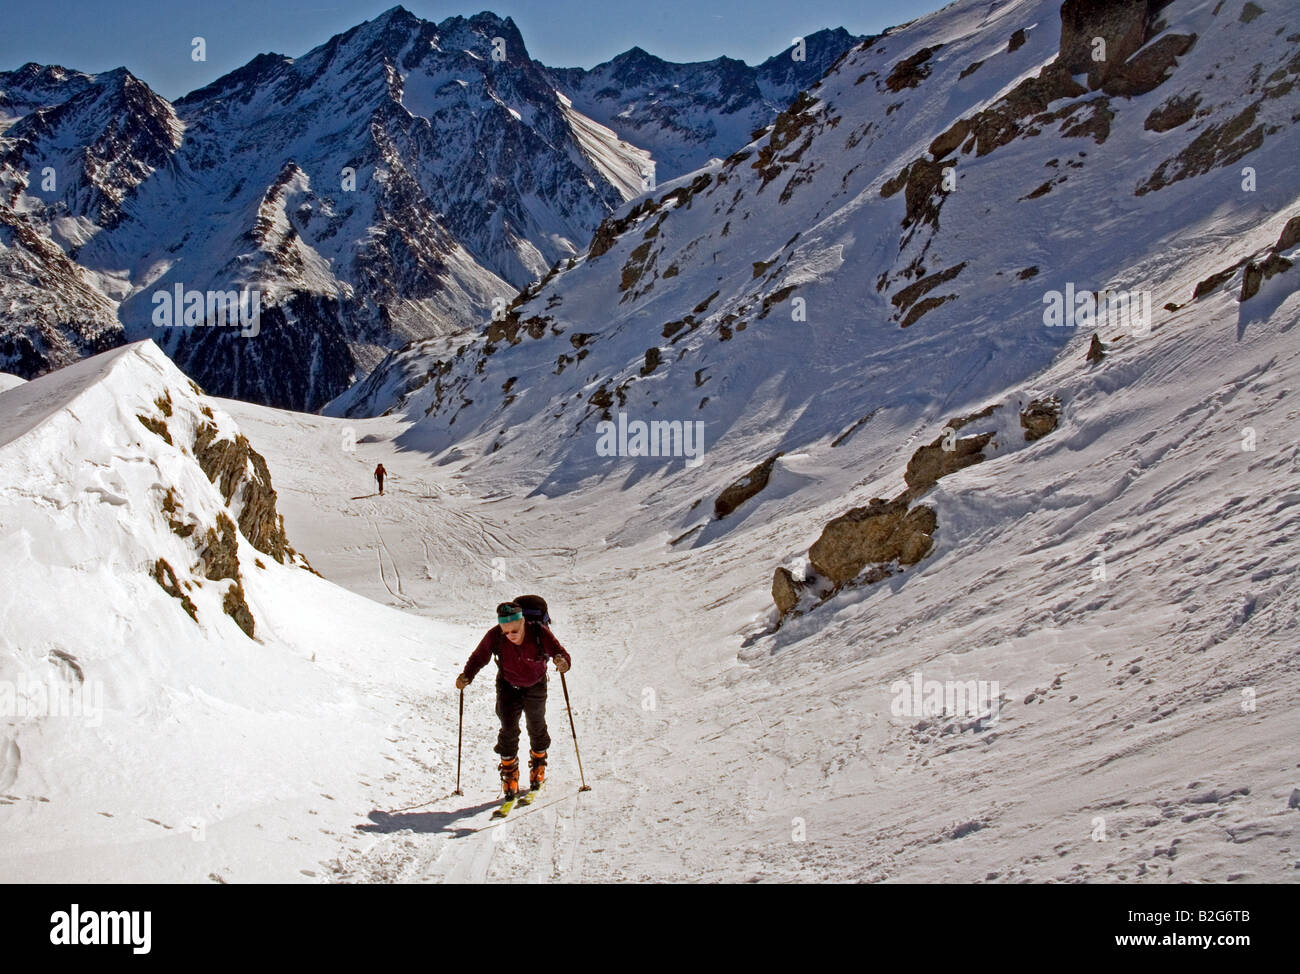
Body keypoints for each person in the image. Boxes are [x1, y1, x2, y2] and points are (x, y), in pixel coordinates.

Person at [456, 601, 572, 798]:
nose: (511, 636)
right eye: (506, 632)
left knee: (536, 725)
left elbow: (560, 652)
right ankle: (509, 773)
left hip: (536, 684)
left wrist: (563, 662)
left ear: (523, 622)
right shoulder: (495, 636)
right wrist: (467, 675)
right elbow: (479, 657)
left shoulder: (539, 632)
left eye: (515, 631)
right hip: (507, 686)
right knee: (508, 727)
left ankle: (538, 764)